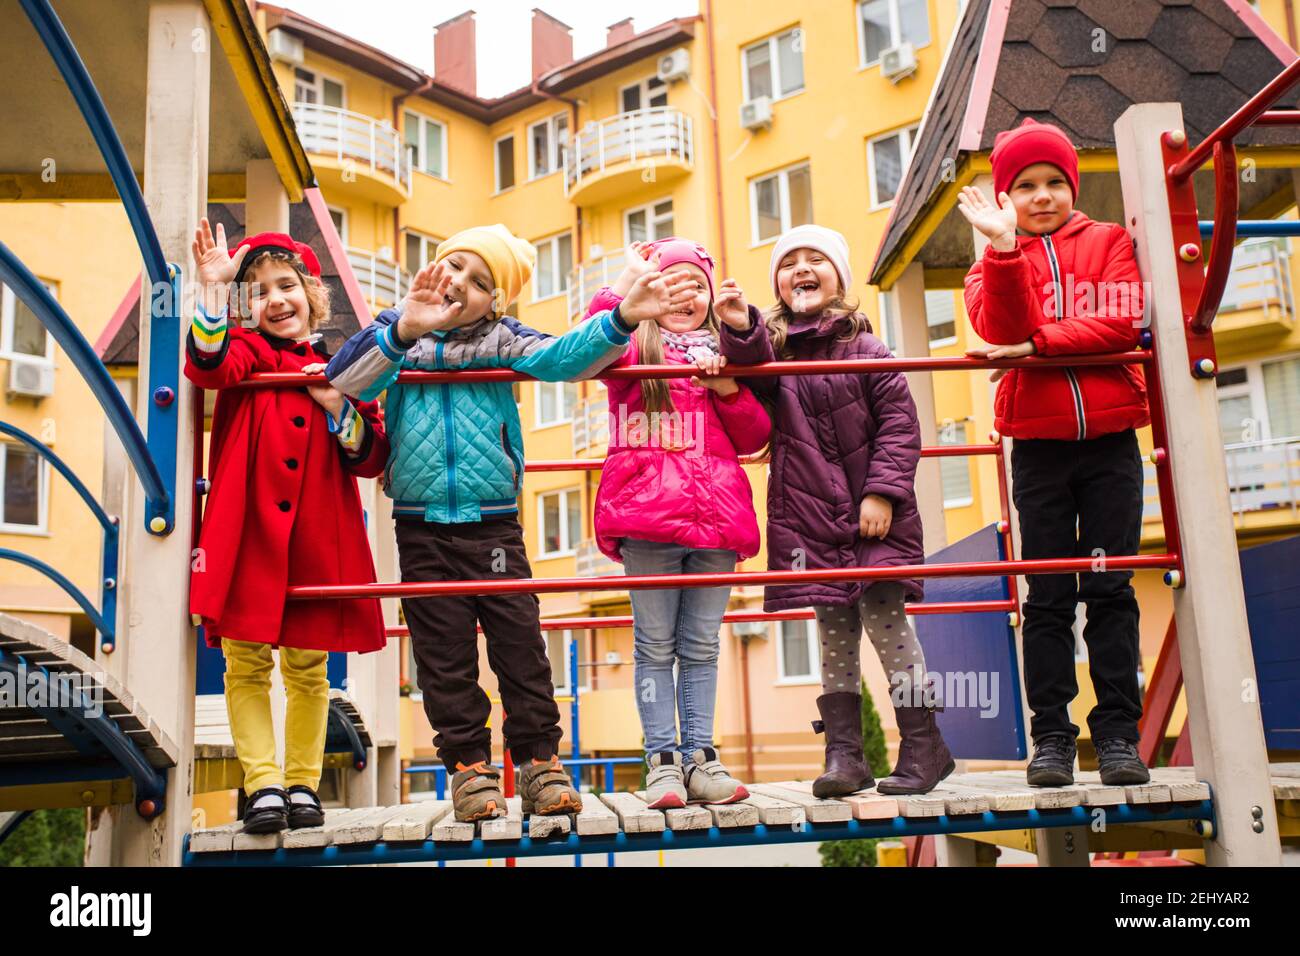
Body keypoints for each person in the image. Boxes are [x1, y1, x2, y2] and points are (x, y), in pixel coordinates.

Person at [326, 224, 697, 821]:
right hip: (420, 526)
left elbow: (563, 360)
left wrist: (623, 317)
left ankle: (538, 762)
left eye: (480, 282)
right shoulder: (399, 332)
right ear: (434, 269)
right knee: (441, 655)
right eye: (456, 268)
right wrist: (405, 328)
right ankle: (469, 768)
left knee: (521, 645)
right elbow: (342, 381)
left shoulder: (500, 338)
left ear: (495, 301)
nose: (461, 286)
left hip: (492, 524)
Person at [717, 224, 953, 797]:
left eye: (815, 259)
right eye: (788, 261)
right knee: (833, 637)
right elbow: (748, 368)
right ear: (776, 284)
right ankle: (845, 756)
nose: (801, 268)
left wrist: (883, 493)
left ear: (839, 279)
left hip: (872, 517)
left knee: (888, 627)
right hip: (810, 521)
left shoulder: (867, 349)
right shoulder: (774, 352)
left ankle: (925, 748)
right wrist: (739, 324)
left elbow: (901, 425)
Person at [958, 117, 1151, 786]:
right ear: (1006, 197)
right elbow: (1000, 326)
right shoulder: (989, 258)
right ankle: (1052, 739)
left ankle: (1120, 735)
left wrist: (1040, 346)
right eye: (1026, 186)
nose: (1042, 196)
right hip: (1038, 448)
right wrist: (1006, 250)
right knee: (1045, 593)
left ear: (1072, 186)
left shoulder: (1109, 241)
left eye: (1054, 183)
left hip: (1109, 444)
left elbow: (1122, 319)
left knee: (1110, 587)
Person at [185, 220, 389, 833]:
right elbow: (208, 365)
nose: (276, 300)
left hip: (315, 535)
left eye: (287, 286)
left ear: (311, 294)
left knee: (307, 665)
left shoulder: (342, 366)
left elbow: (373, 454)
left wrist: (338, 407)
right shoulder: (250, 353)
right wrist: (215, 293)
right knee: (245, 662)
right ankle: (263, 784)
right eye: (260, 292)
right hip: (249, 531)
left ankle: (302, 783)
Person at [586, 238, 770, 808]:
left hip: (715, 517)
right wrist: (626, 283)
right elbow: (591, 334)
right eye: (672, 284)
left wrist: (729, 388)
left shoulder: (722, 354)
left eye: (697, 285)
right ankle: (661, 763)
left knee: (702, 645)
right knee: (653, 644)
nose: (685, 295)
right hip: (648, 517)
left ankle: (700, 758)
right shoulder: (630, 350)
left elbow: (756, 437)